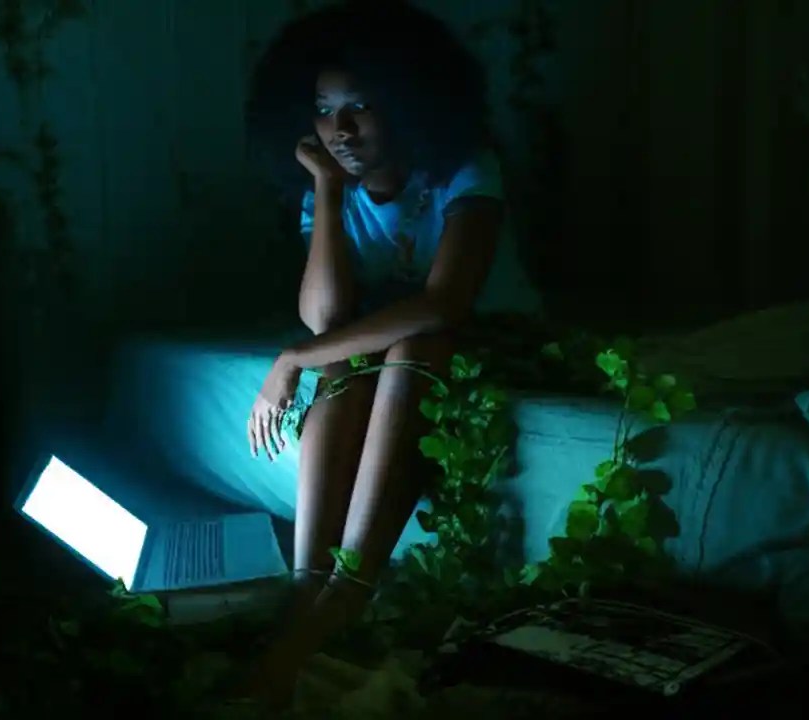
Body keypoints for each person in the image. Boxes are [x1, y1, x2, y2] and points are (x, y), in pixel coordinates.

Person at [240, 0, 539, 706]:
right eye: (322, 109)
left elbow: (445, 304)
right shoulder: (334, 186)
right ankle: (308, 582)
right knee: (344, 357)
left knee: (412, 338)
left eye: (362, 106)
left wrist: (289, 362)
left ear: (408, 100)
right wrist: (326, 191)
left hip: (495, 339)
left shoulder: (465, 169)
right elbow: (327, 317)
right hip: (395, 346)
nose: (339, 130)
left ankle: (350, 590)